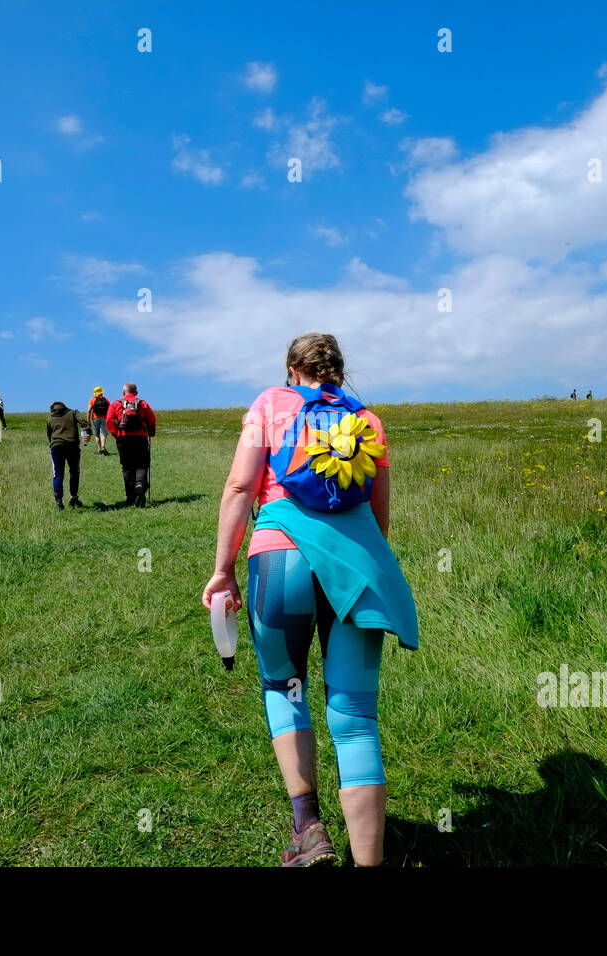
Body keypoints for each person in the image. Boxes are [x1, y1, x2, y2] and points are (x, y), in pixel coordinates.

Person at [200, 332, 418, 868]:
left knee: (284, 687)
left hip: (280, 561)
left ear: (291, 370)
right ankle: (370, 863)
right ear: (338, 374)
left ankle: (309, 830)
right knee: (356, 715)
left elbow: (238, 488)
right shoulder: (367, 421)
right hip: (357, 572)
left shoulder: (270, 405)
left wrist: (223, 570)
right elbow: (379, 517)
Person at [105, 383, 156, 507]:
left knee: (127, 467)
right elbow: (152, 420)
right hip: (140, 437)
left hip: (123, 437)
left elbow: (109, 420)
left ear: (123, 393)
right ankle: (140, 484)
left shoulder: (116, 404)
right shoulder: (143, 404)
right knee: (142, 464)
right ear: (136, 392)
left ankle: (130, 498)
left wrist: (115, 434)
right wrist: (151, 432)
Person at [45, 400, 90, 510]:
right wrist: (87, 432)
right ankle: (74, 498)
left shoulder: (50, 418)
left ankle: (59, 502)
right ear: (65, 407)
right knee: (74, 471)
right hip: (72, 446)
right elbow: (84, 422)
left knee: (58, 474)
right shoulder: (73, 413)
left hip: (56, 447)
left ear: (52, 409)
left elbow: (49, 435)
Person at [87, 387, 112, 456]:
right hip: (104, 418)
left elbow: (89, 410)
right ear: (102, 392)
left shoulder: (92, 400)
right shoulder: (106, 400)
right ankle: (103, 446)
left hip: (95, 418)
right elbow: (110, 410)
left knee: (97, 434)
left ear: (95, 393)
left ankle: (99, 449)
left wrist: (88, 420)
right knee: (103, 433)